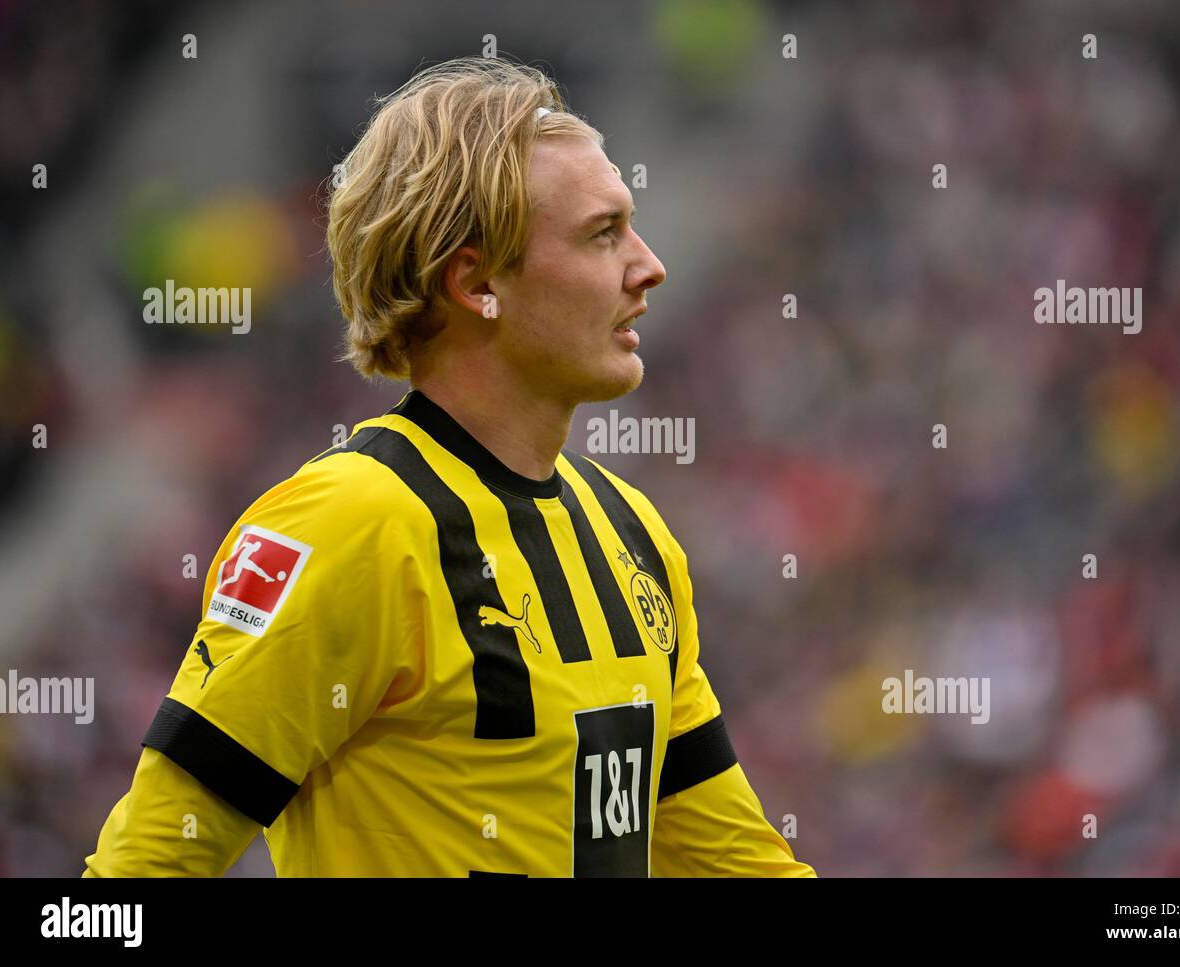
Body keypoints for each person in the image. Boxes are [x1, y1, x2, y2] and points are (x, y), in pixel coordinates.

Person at [83, 56, 815, 877]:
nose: (649, 265)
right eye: (603, 233)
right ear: (477, 282)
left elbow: (737, 864)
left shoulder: (631, 532)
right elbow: (138, 874)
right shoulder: (350, 523)